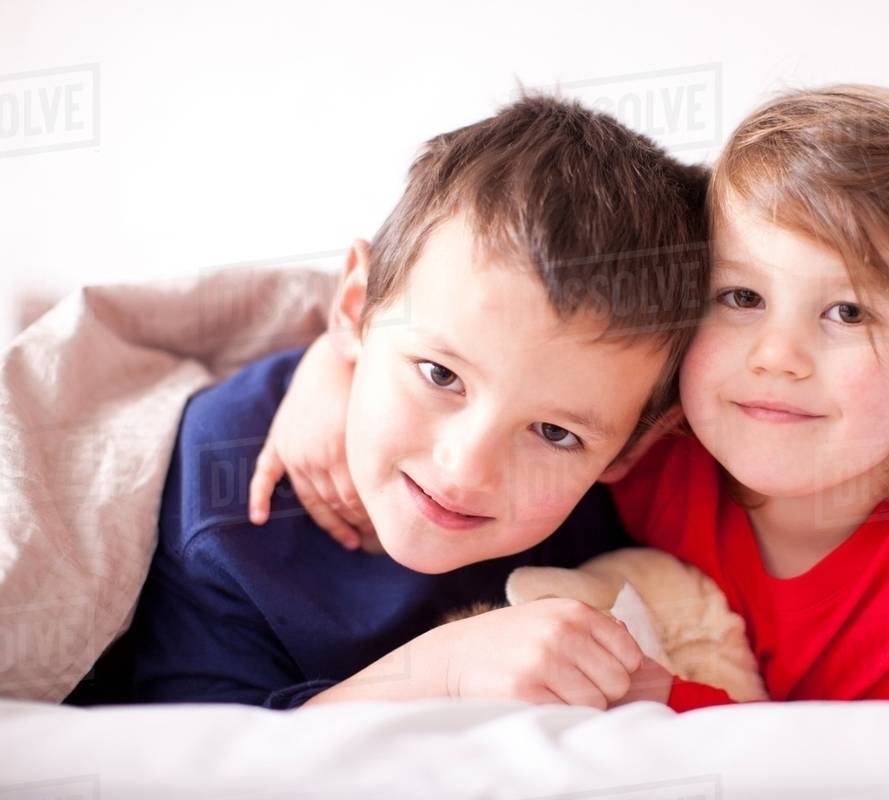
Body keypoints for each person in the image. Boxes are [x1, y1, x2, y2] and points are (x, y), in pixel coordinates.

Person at [252, 85, 889, 712]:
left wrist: (659, 701)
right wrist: (327, 373)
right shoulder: (658, 445)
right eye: (741, 297)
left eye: (847, 311)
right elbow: (484, 328)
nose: (777, 358)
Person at [81, 94, 710, 710]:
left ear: (632, 449)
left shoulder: (620, 504)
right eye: (440, 374)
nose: (467, 469)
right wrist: (446, 668)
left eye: (552, 433)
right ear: (354, 306)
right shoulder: (229, 490)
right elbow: (205, 760)